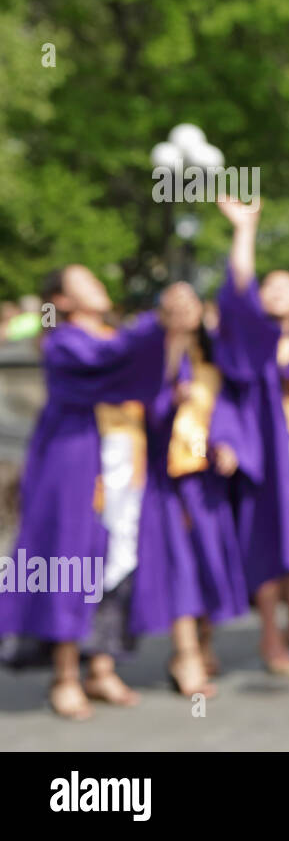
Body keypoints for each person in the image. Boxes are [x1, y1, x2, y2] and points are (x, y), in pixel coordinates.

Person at [0, 265, 188, 719]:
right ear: (61, 301)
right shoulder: (64, 341)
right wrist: (159, 319)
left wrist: (177, 334)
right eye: (84, 281)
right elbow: (113, 362)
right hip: (76, 466)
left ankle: (100, 668)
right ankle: (65, 675)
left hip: (125, 466)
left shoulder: (111, 335)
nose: (99, 286)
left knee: (117, 561)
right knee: (72, 562)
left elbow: (153, 382)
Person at [213, 195, 289, 676]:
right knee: (268, 541)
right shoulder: (252, 341)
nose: (277, 290)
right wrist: (246, 230)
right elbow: (237, 291)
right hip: (267, 455)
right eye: (270, 285)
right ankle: (270, 635)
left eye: (288, 286)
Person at [133, 282, 247, 698]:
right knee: (179, 564)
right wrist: (168, 395)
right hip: (168, 478)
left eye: (189, 301)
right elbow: (142, 409)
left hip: (208, 478)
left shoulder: (214, 353)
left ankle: (204, 642)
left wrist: (231, 443)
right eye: (173, 304)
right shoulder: (153, 354)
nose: (183, 309)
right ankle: (186, 655)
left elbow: (231, 409)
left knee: (208, 559)